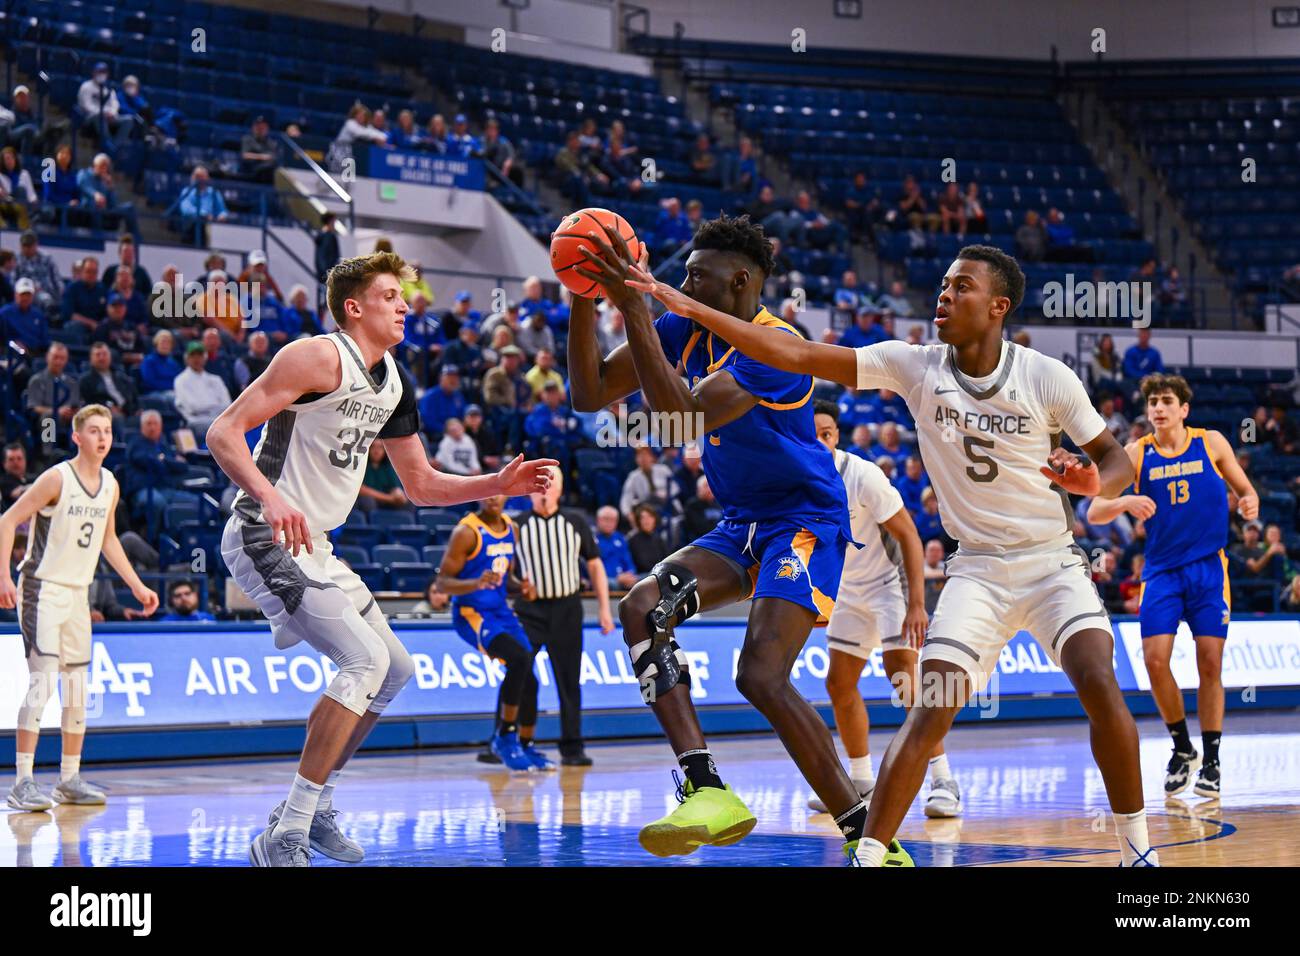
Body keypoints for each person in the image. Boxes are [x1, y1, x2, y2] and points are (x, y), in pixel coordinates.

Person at [623, 240, 1159, 867]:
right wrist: (681, 303)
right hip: (976, 568)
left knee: (1099, 682)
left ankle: (1139, 855)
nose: (946, 293)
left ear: (998, 307)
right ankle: (872, 852)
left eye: (962, 287)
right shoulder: (913, 365)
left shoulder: (1046, 376)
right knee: (928, 709)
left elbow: (1117, 458)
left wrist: (1098, 485)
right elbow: (794, 352)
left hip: (1051, 561)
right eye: (943, 284)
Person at [569, 214, 905, 864]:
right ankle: (705, 787)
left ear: (743, 282)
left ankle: (868, 837)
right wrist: (585, 298)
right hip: (741, 523)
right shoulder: (684, 328)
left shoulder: (773, 348)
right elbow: (588, 393)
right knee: (643, 608)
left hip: (805, 523)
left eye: (699, 277)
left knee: (760, 674)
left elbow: (675, 417)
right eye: (687, 273)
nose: (685, 284)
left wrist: (636, 310)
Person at [206, 251, 555, 866]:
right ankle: (283, 832)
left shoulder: (393, 379)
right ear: (354, 306)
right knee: (363, 660)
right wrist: (272, 498)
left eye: (403, 295)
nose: (403, 304)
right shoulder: (316, 355)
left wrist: (497, 483)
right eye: (390, 294)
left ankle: (314, 811)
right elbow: (224, 431)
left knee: (393, 668)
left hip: (316, 543)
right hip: (265, 530)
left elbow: (420, 485)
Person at [1087, 373, 1258, 799]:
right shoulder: (1136, 453)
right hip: (1161, 572)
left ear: (1184, 409)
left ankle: (1213, 758)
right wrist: (1125, 500)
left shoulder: (1212, 442)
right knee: (1155, 661)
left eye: (1166, 401)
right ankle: (1183, 747)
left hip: (1207, 571)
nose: (1158, 409)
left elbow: (1245, 489)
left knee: (1210, 664)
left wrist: (1250, 500)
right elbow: (1095, 510)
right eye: (1152, 404)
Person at [0, 405, 160, 812]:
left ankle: (68, 779)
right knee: (43, 681)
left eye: (107, 430)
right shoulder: (56, 478)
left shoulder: (110, 484)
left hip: (77, 594)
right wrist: (3, 578)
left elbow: (109, 542)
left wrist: (138, 587)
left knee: (77, 688)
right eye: (94, 430)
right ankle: (22, 782)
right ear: (77, 436)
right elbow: (7, 521)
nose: (102, 437)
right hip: (41, 588)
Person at [804, 401, 957, 817]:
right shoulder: (795, 476)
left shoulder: (863, 474)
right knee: (838, 683)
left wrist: (918, 605)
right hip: (848, 592)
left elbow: (909, 536)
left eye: (827, 433)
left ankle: (944, 780)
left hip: (890, 584)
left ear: (837, 435)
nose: (820, 440)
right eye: (812, 431)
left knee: (904, 679)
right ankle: (860, 779)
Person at [506, 466, 613, 767]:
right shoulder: (516, 525)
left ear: (560, 490)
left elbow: (595, 566)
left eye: (550, 484)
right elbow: (504, 569)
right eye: (540, 484)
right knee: (520, 673)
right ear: (529, 490)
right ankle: (509, 739)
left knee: (569, 681)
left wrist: (605, 609)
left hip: (567, 608)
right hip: (529, 611)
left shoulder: (576, 521)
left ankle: (571, 746)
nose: (544, 489)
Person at [438, 494, 549, 771]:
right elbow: (442, 583)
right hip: (471, 614)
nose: (492, 499)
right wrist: (476, 582)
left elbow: (505, 578)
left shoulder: (512, 529)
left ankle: (526, 744)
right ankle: (504, 737)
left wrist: (521, 587)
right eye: (486, 493)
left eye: (498, 493)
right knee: (519, 660)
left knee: (530, 679)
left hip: (501, 611)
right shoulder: (466, 532)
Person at [124, 409, 190, 542]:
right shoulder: (135, 443)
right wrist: (168, 461)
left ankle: (178, 542)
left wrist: (162, 459)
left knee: (195, 503)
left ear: (161, 426)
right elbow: (145, 460)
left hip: (167, 490)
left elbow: (183, 467)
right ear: (142, 426)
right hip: (143, 490)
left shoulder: (164, 445)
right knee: (157, 503)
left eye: (155, 424)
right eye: (148, 424)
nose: (152, 427)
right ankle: (152, 542)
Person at [173, 341, 232, 443]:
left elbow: (227, 405)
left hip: (217, 419)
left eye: (199, 355)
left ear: (205, 358)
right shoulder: (181, 380)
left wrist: (208, 408)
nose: (196, 359)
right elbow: (193, 407)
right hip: (196, 422)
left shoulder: (215, 380)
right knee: (220, 428)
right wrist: (214, 407)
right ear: (187, 358)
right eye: (193, 356)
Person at [594, 505, 638, 589]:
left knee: (648, 579)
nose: (609, 523)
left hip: (624, 579)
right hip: (606, 579)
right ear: (598, 520)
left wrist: (629, 574)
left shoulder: (621, 538)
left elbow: (628, 562)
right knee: (612, 584)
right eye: (606, 519)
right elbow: (593, 568)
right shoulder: (592, 539)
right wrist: (617, 577)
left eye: (613, 520)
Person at [627, 503, 669, 573]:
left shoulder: (659, 539)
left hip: (660, 574)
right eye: (643, 517)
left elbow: (667, 560)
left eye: (650, 517)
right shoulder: (632, 541)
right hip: (642, 576)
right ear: (638, 521)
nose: (647, 520)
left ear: (654, 519)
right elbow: (642, 564)